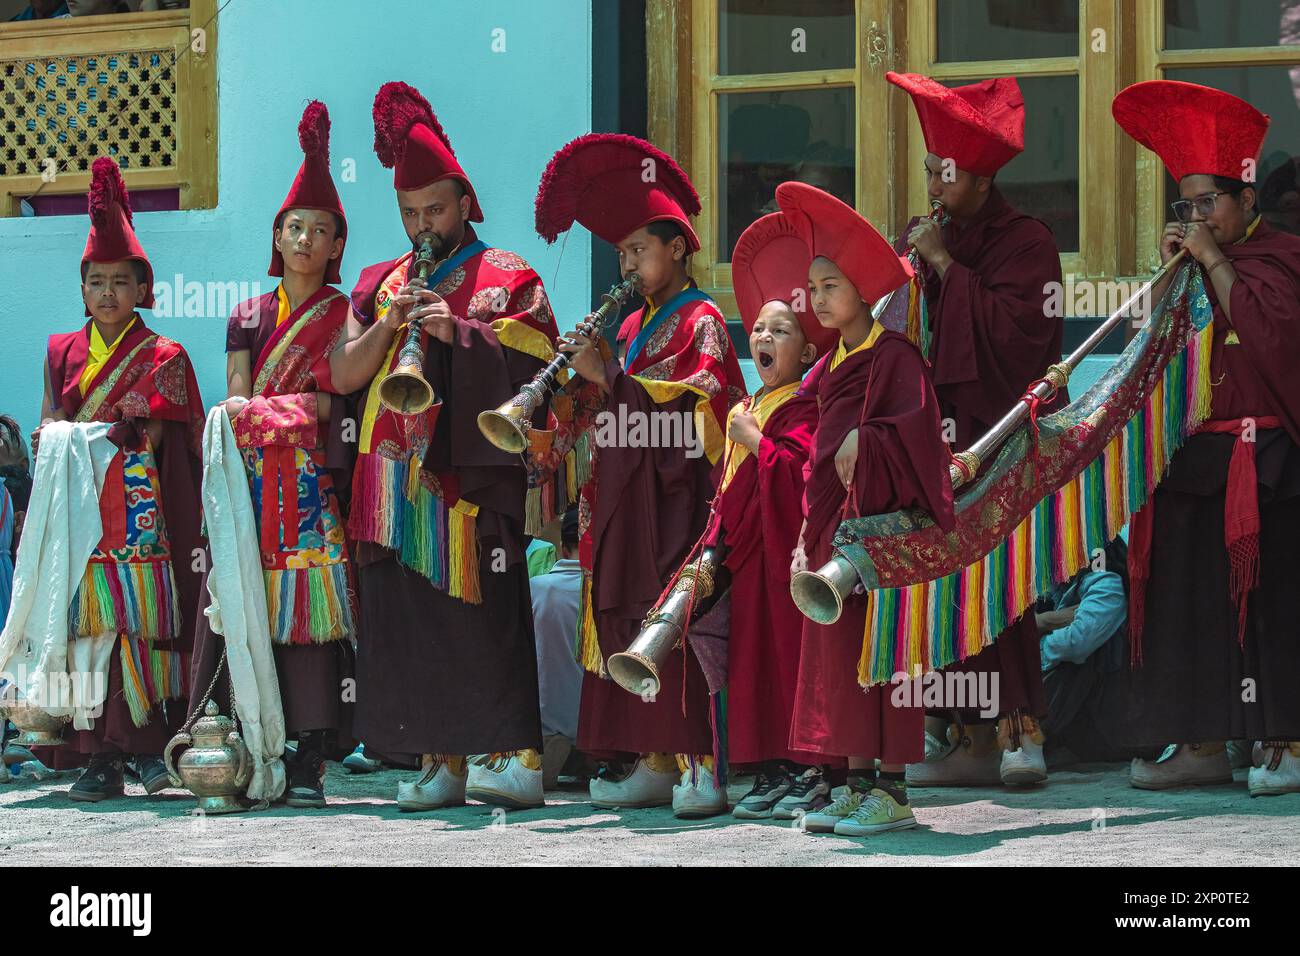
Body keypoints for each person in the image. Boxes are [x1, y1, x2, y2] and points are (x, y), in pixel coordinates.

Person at [329, 81, 560, 811]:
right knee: (408, 623)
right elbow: (340, 373)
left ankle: (514, 756)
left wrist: (455, 335)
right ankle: (439, 759)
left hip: (468, 480)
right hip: (394, 481)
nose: (421, 225)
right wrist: (392, 324)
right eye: (407, 213)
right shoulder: (384, 281)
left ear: (464, 201)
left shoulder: (508, 276)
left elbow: (540, 373)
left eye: (435, 209)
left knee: (481, 615)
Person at [534, 133, 747, 818]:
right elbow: (606, 410)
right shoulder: (628, 327)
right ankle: (648, 757)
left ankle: (696, 762)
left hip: (677, 505)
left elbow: (696, 416)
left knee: (675, 621)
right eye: (623, 253)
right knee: (623, 618)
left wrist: (614, 380)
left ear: (678, 248)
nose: (628, 265)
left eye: (640, 251)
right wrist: (569, 393)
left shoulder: (703, 320)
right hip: (622, 504)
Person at [1113, 80, 1300, 796]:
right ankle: (1201, 743)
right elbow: (1149, 362)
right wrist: (1168, 282)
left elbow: (1273, 339)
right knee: (1188, 602)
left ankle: (1283, 741)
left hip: (1269, 460)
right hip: (1196, 457)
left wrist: (1215, 263)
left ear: (1247, 201)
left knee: (1273, 603)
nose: (1195, 218)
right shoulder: (1185, 267)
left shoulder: (1280, 257)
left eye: (1209, 204)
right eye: (1184, 206)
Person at [886, 71, 1065, 788]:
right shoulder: (931, 236)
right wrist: (915, 270)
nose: (931, 185)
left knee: (1004, 582)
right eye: (929, 170)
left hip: (1002, 438)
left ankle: (1021, 730)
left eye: (944, 173)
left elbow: (1024, 337)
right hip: (939, 438)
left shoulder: (1027, 243)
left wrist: (942, 266)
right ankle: (960, 731)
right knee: (941, 578)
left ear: (983, 180)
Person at [189, 101, 355, 809]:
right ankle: (251, 739)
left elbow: (337, 409)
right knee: (249, 607)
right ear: (276, 237)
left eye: (321, 230)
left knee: (311, 615)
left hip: (314, 495)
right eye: (296, 227)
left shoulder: (349, 315)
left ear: (337, 243)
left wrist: (282, 414)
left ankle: (315, 751)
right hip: (253, 493)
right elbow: (233, 408)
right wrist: (299, 411)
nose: (306, 239)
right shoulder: (247, 317)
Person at [780, 182, 955, 836]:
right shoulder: (830, 363)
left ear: (861, 290)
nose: (817, 299)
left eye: (830, 285)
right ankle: (853, 783)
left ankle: (894, 789)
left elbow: (916, 438)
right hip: (832, 532)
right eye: (813, 287)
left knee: (883, 656)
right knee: (839, 659)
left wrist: (869, 438)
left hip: (879, 539)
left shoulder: (895, 354)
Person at [31, 157, 203, 801]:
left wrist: (123, 436)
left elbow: (165, 440)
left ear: (142, 289)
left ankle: (151, 744)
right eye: (96, 281)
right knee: (90, 631)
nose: (107, 293)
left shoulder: (165, 356)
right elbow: (51, 424)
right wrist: (66, 436)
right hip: (82, 514)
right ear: (82, 289)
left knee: (144, 627)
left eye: (120, 282)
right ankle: (96, 752)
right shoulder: (60, 351)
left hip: (141, 515)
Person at [710, 212, 838, 820]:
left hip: (789, 559)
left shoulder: (804, 405)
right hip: (750, 558)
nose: (763, 336)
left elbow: (801, 474)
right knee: (755, 665)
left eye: (781, 330)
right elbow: (729, 492)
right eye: (758, 328)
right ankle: (769, 767)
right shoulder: (753, 403)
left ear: (807, 349)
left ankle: (809, 767)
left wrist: (758, 442)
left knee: (792, 661)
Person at [529, 507, 584, 789]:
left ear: (562, 549)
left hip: (544, 724)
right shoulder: (607, 592)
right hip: (596, 725)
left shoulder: (535, 588)